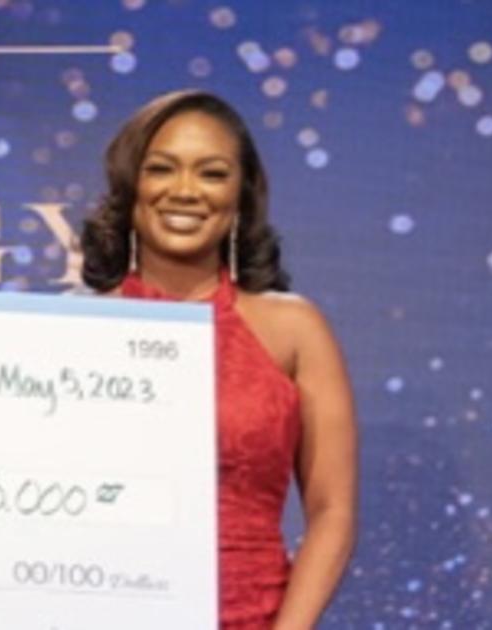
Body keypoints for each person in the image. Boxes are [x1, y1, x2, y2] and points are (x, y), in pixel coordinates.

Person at [80, 90, 357, 628]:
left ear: (241, 195)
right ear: (131, 186)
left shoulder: (293, 329)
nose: (185, 191)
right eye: (161, 169)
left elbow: (333, 512)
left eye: (212, 174)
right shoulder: (76, 329)